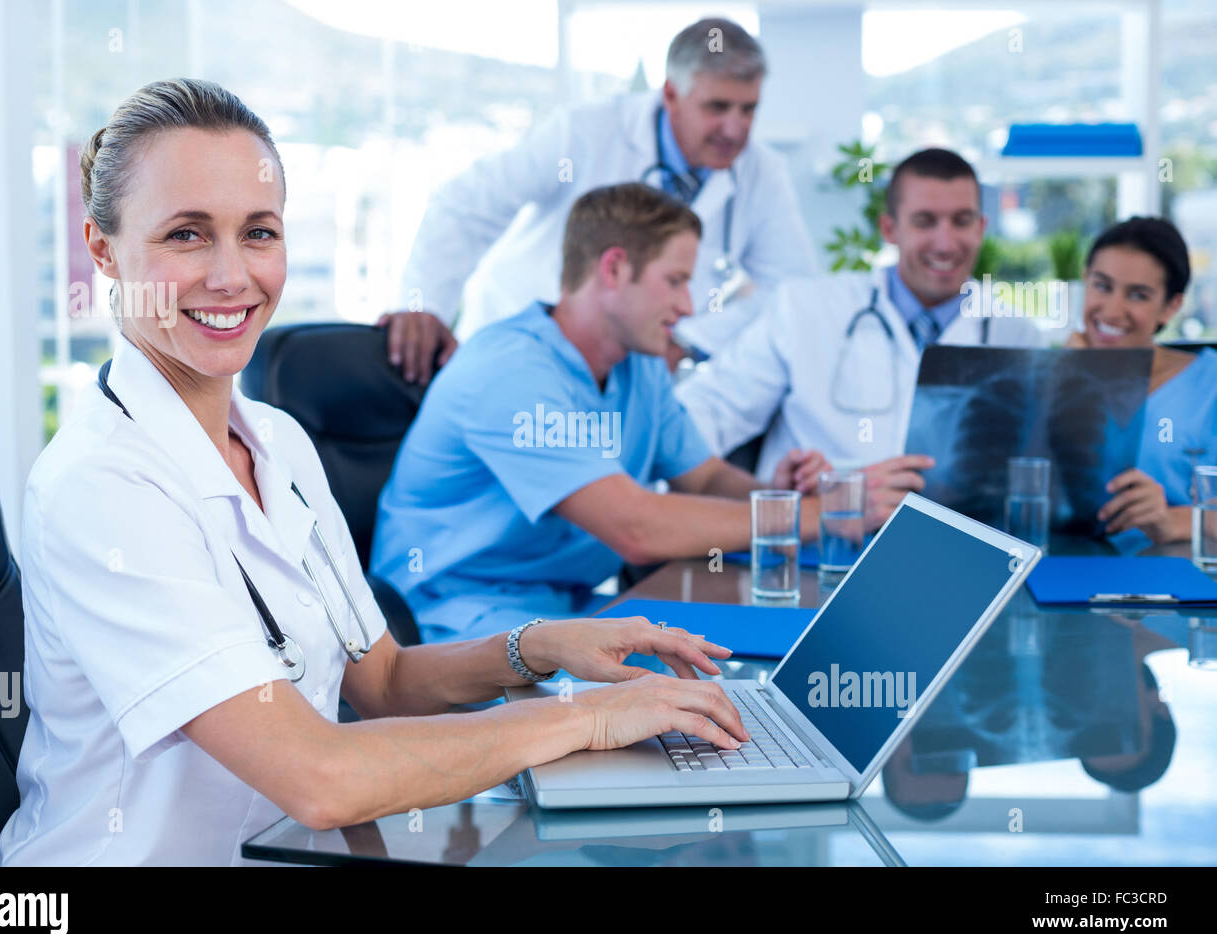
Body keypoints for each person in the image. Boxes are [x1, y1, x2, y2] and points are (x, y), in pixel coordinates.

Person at [0, 80, 751, 866]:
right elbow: (319, 776)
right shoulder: (101, 484)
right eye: (187, 235)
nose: (230, 276)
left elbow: (382, 680)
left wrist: (541, 647)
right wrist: (586, 719)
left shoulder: (278, 443)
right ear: (103, 249)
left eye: (258, 233)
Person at [371, 183, 856, 646]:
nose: (687, 307)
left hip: (569, 610)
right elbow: (637, 530)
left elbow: (704, 479)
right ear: (615, 269)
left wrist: (782, 495)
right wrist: (826, 515)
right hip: (454, 622)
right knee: (673, 705)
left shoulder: (639, 367)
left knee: (725, 675)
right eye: (676, 281)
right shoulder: (510, 372)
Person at [377, 16, 816, 371]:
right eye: (718, 107)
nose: (735, 129)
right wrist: (425, 305)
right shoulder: (584, 134)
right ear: (671, 95)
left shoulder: (761, 172)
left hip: (629, 365)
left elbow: (790, 286)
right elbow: (467, 205)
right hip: (519, 348)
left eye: (749, 109)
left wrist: (689, 342)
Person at [674, 147, 1042, 484]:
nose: (945, 243)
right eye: (925, 222)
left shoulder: (1019, 337)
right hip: (821, 544)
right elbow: (705, 413)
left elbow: (1046, 462)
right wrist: (770, 493)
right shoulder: (805, 309)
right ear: (889, 229)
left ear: (980, 228)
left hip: (967, 542)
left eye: (961, 221)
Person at [1063, 217, 1216, 552]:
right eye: (1102, 286)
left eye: (1138, 295)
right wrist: (1067, 380)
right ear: (1085, 282)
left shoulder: (1209, 388)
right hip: (1054, 579)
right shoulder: (1050, 375)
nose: (1113, 310)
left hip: (1176, 590)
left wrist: (1174, 519)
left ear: (1171, 306)